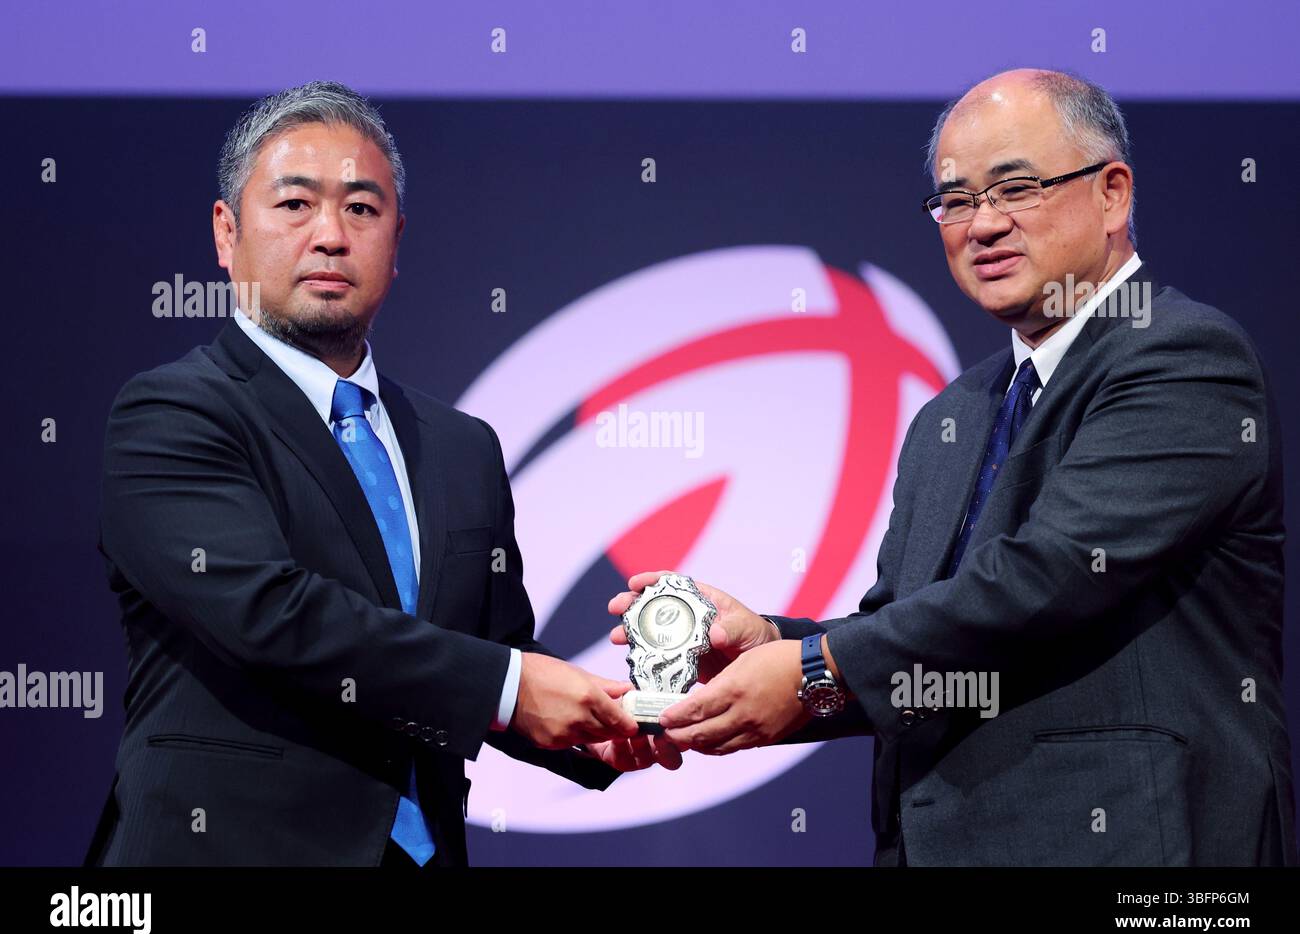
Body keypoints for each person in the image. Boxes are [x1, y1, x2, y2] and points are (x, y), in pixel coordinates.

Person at [610, 68, 1296, 866]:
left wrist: (805, 671)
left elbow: (1042, 581)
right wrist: (773, 642)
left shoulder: (1182, 357)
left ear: (1112, 194)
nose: (984, 225)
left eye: (1016, 188)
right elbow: (918, 632)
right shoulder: (955, 412)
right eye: (956, 200)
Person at [87, 80, 677, 868]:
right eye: (295, 205)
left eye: (362, 209)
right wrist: (509, 688)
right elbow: (274, 617)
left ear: (396, 242)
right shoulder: (171, 414)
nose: (331, 235)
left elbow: (486, 650)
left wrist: (588, 732)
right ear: (226, 235)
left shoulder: (462, 446)